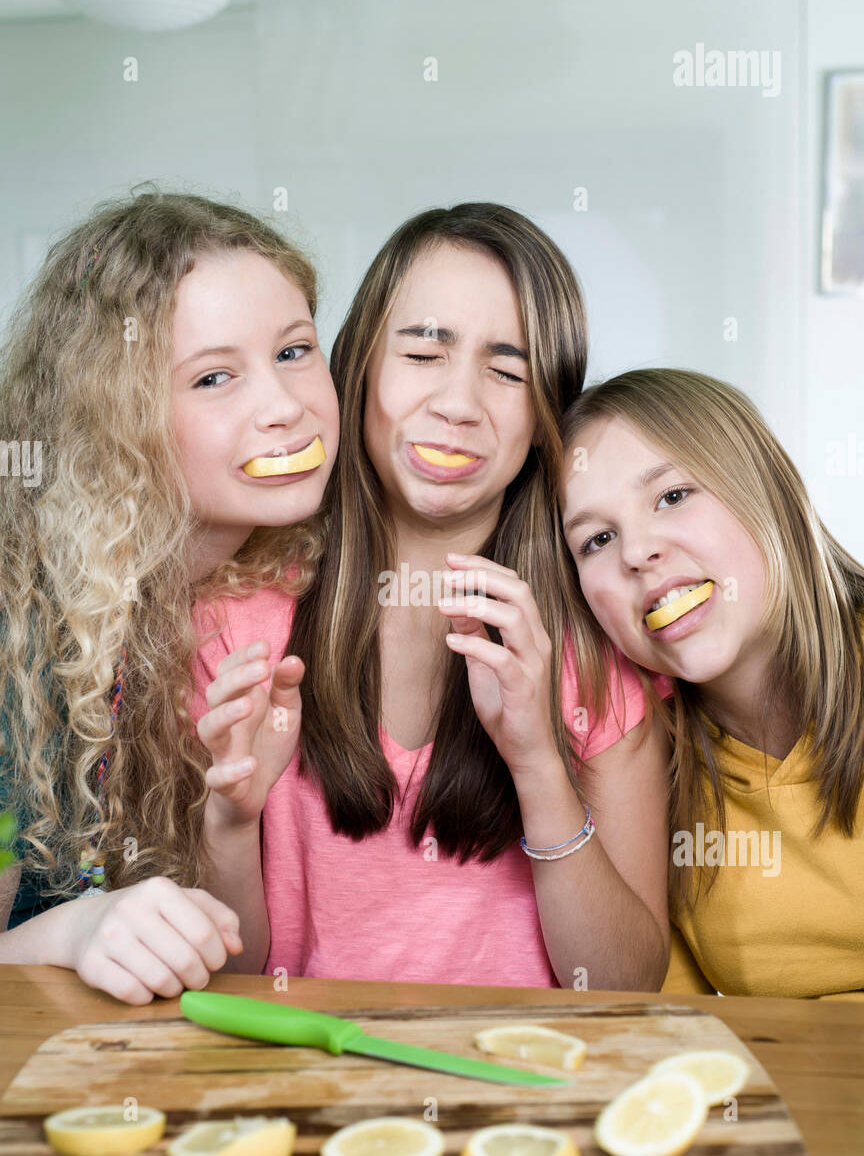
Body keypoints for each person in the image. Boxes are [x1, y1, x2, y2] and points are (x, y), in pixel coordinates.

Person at [193, 204, 672, 990]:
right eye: (423, 353)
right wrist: (231, 821)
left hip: (525, 1094)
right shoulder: (237, 627)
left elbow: (625, 985)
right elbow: (233, 973)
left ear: (542, 419)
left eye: (507, 372)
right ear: (360, 370)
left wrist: (539, 766)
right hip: (319, 1092)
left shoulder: (592, 650)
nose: (460, 403)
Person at [0, 186, 339, 1004]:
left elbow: (227, 968)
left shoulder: (264, 593)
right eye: (216, 377)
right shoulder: (21, 629)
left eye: (294, 352)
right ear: (112, 416)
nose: (285, 409)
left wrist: (231, 822)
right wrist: (66, 932)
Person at [559, 366, 864, 999]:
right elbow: (675, 1032)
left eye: (671, 496)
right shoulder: (639, 771)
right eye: (598, 538)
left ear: (767, 487)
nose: (637, 552)